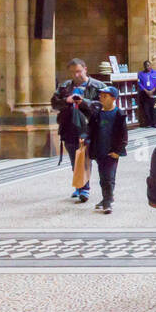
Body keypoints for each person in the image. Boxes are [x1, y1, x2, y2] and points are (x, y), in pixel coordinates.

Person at [50, 58, 118, 203]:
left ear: (85, 69)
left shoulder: (98, 86)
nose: (76, 75)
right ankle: (80, 185)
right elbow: (54, 103)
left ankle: (90, 189)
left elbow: (103, 106)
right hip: (69, 127)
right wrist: (66, 100)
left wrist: (84, 102)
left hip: (90, 128)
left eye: (79, 71)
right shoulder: (64, 86)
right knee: (75, 159)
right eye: (73, 72)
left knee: (87, 158)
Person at [86, 84, 128, 214]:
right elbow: (90, 130)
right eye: (101, 95)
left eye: (105, 96)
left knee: (108, 177)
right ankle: (107, 197)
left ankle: (108, 201)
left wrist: (118, 151)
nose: (101, 98)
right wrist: (84, 138)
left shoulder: (119, 114)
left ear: (113, 98)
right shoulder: (97, 114)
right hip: (99, 151)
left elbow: (123, 135)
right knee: (103, 176)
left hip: (112, 152)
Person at [136, 60, 156, 128]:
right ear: (144, 66)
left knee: (155, 109)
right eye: (145, 66)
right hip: (145, 94)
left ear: (151, 65)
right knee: (146, 109)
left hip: (154, 93)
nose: (147, 67)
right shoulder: (140, 74)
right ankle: (148, 123)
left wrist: (152, 90)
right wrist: (146, 91)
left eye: (148, 65)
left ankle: (155, 123)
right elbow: (139, 83)